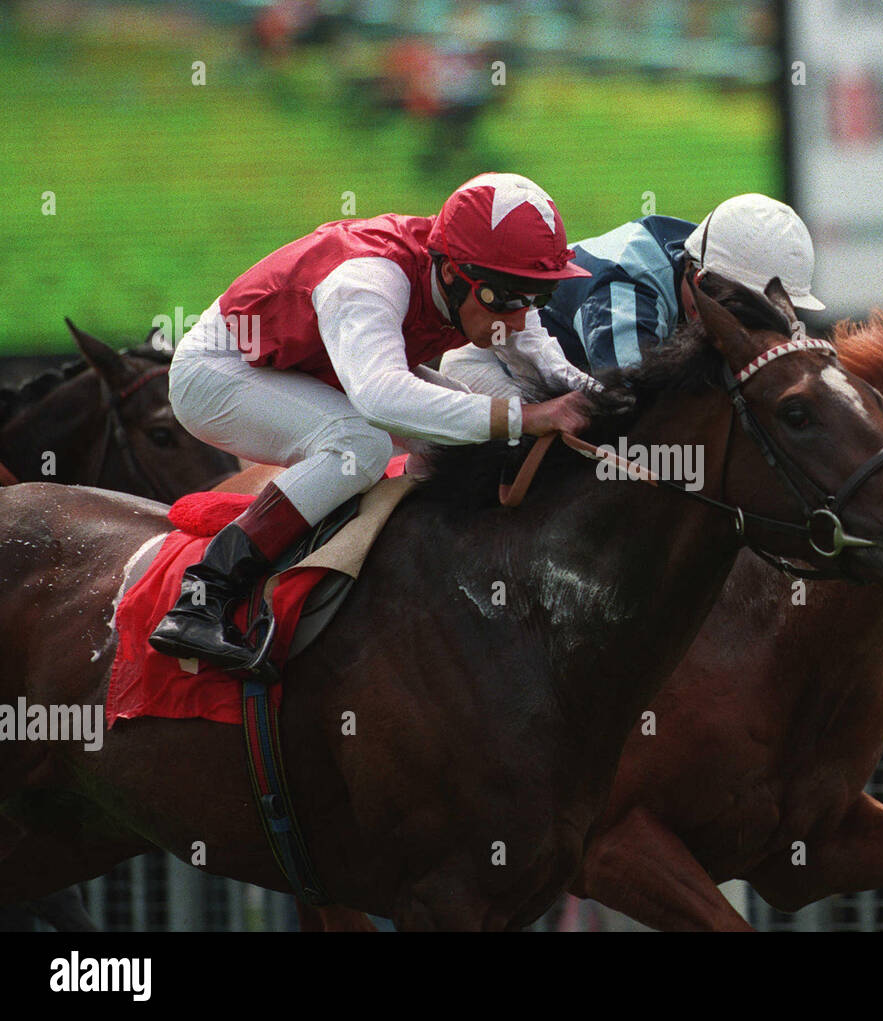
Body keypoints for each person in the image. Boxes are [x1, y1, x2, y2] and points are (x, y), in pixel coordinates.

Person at [150, 173, 597, 670]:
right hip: (220, 373)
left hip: (312, 365)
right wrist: (524, 416)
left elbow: (543, 356)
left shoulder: (484, 276)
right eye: (507, 298)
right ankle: (202, 595)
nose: (519, 317)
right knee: (358, 445)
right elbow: (380, 397)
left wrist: (607, 399)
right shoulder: (368, 279)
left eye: (537, 297)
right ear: (451, 273)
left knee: (468, 440)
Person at [439, 192, 824, 398]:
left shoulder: (710, 251)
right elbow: (635, 407)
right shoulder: (623, 287)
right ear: (700, 280)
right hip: (492, 373)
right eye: (745, 312)